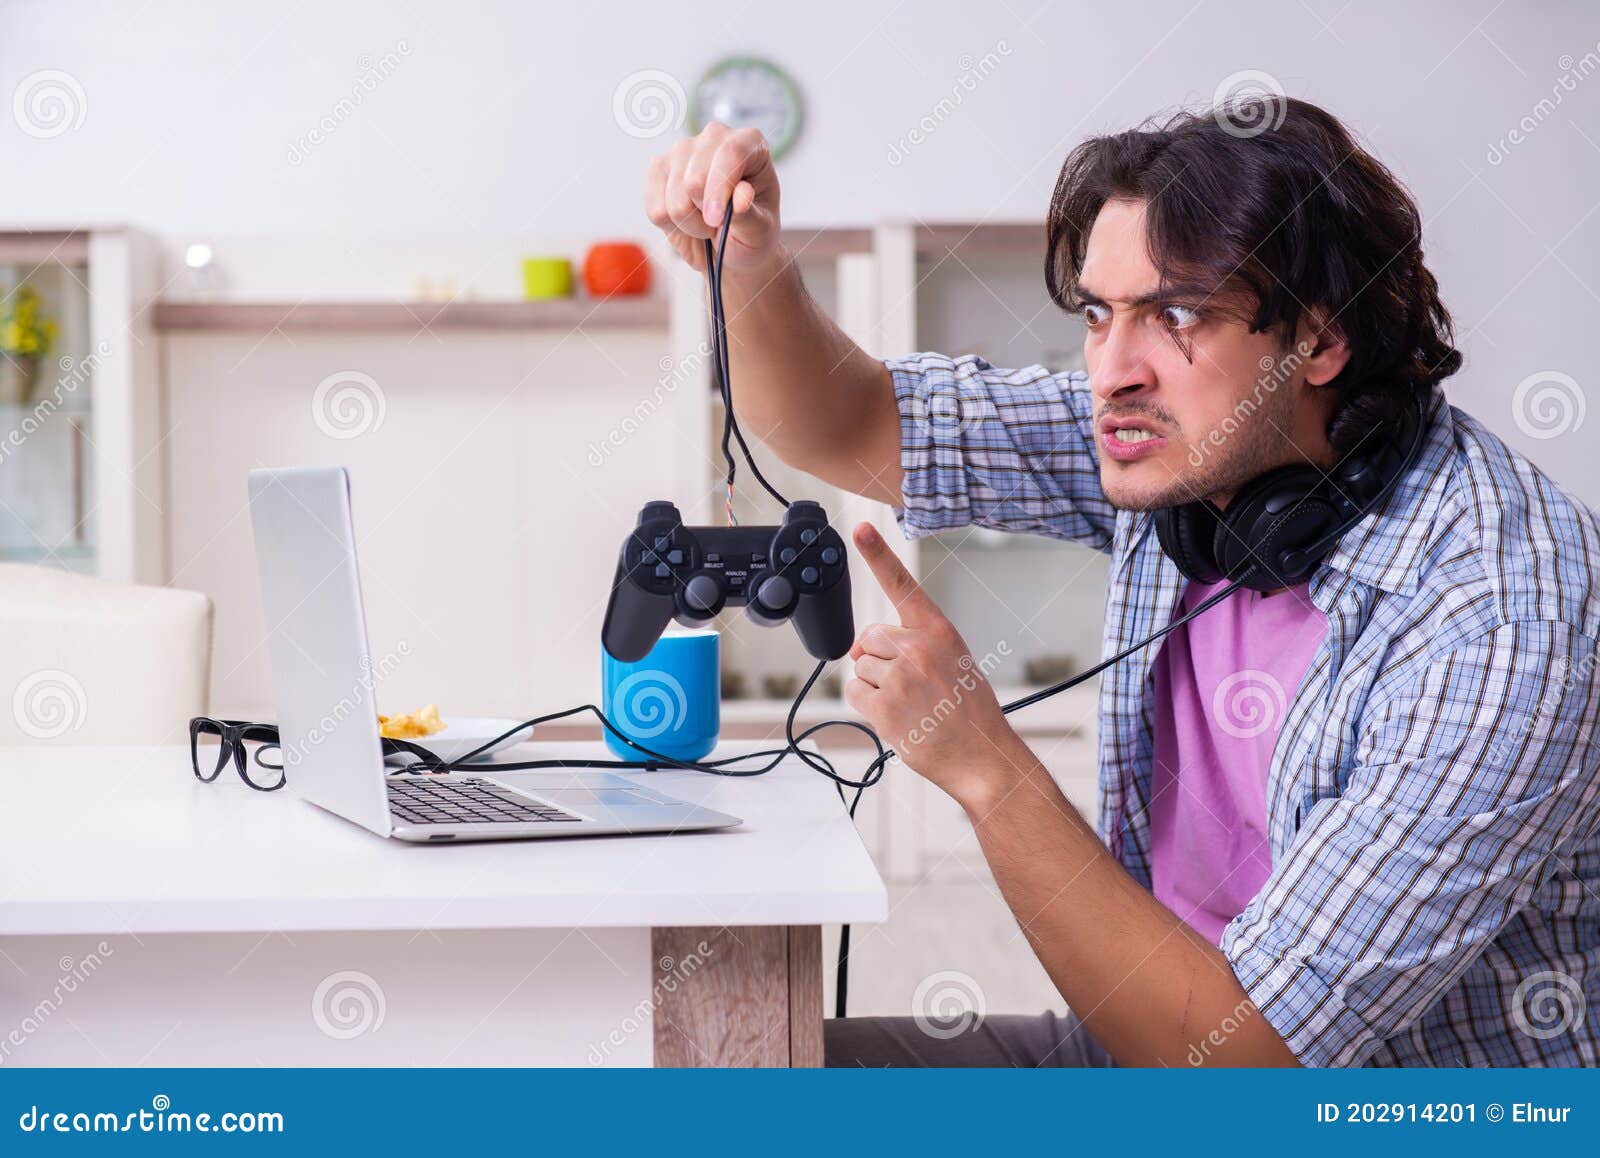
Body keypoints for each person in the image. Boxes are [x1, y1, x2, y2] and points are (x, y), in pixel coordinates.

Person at [642, 97, 1600, 1067]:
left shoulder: (1501, 614)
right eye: (1099, 314)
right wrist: (750, 260)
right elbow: (843, 422)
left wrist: (983, 764)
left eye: (1175, 314)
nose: (1110, 370)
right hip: (1140, 1045)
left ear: (1318, 342)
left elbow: (1243, 1067)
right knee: (735, 1065)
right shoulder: (1186, 440)